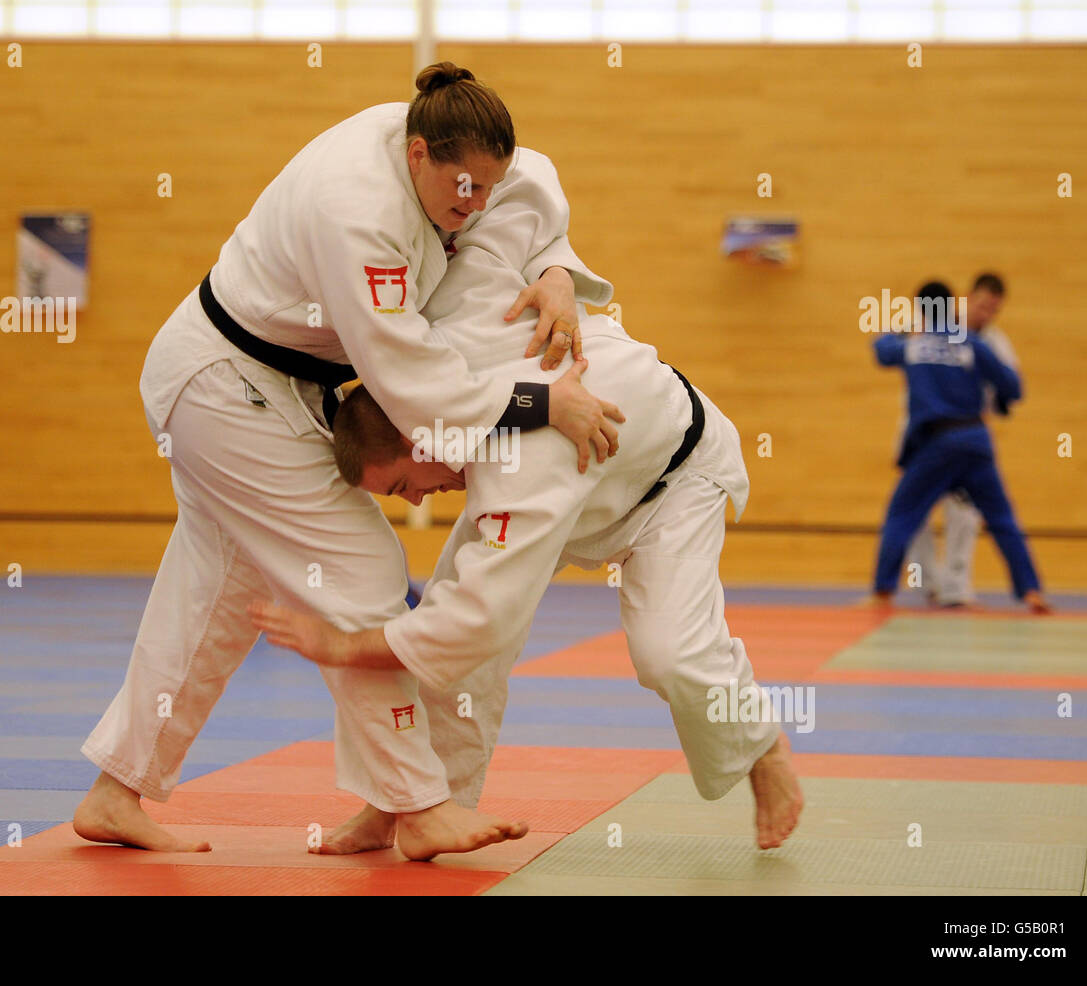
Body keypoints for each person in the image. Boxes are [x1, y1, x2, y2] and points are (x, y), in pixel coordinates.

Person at [72, 62, 624, 860]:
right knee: (362, 571)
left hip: (266, 383)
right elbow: (416, 388)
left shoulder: (465, 158)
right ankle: (418, 804)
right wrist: (545, 404)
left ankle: (116, 789)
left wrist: (556, 272)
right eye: (459, 189)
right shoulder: (357, 213)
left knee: (212, 600)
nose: (472, 207)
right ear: (417, 154)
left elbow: (531, 190)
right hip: (227, 383)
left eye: (483, 189)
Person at [249, 166, 805, 850]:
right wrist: (557, 271)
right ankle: (410, 805)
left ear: (424, 433)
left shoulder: (523, 463)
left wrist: (342, 646)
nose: (418, 499)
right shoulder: (437, 331)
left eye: (402, 486)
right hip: (580, 476)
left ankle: (761, 747)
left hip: (672, 481)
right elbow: (515, 198)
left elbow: (474, 626)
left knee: (669, 655)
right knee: (460, 642)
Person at [867, 281, 1048, 613]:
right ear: (952, 307)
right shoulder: (971, 342)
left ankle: (882, 591)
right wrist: (1002, 400)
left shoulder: (913, 344)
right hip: (976, 440)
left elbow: (880, 349)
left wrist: (909, 329)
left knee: (902, 515)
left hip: (934, 444)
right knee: (1002, 519)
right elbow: (1012, 386)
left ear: (921, 310)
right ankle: (1031, 590)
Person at [905, 273, 1017, 606]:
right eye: (982, 305)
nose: (986, 314)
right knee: (917, 513)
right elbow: (895, 346)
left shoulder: (995, 342)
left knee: (965, 515)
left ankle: (956, 588)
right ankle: (927, 584)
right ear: (968, 298)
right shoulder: (932, 326)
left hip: (967, 433)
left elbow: (1010, 388)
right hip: (924, 433)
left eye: (993, 309)